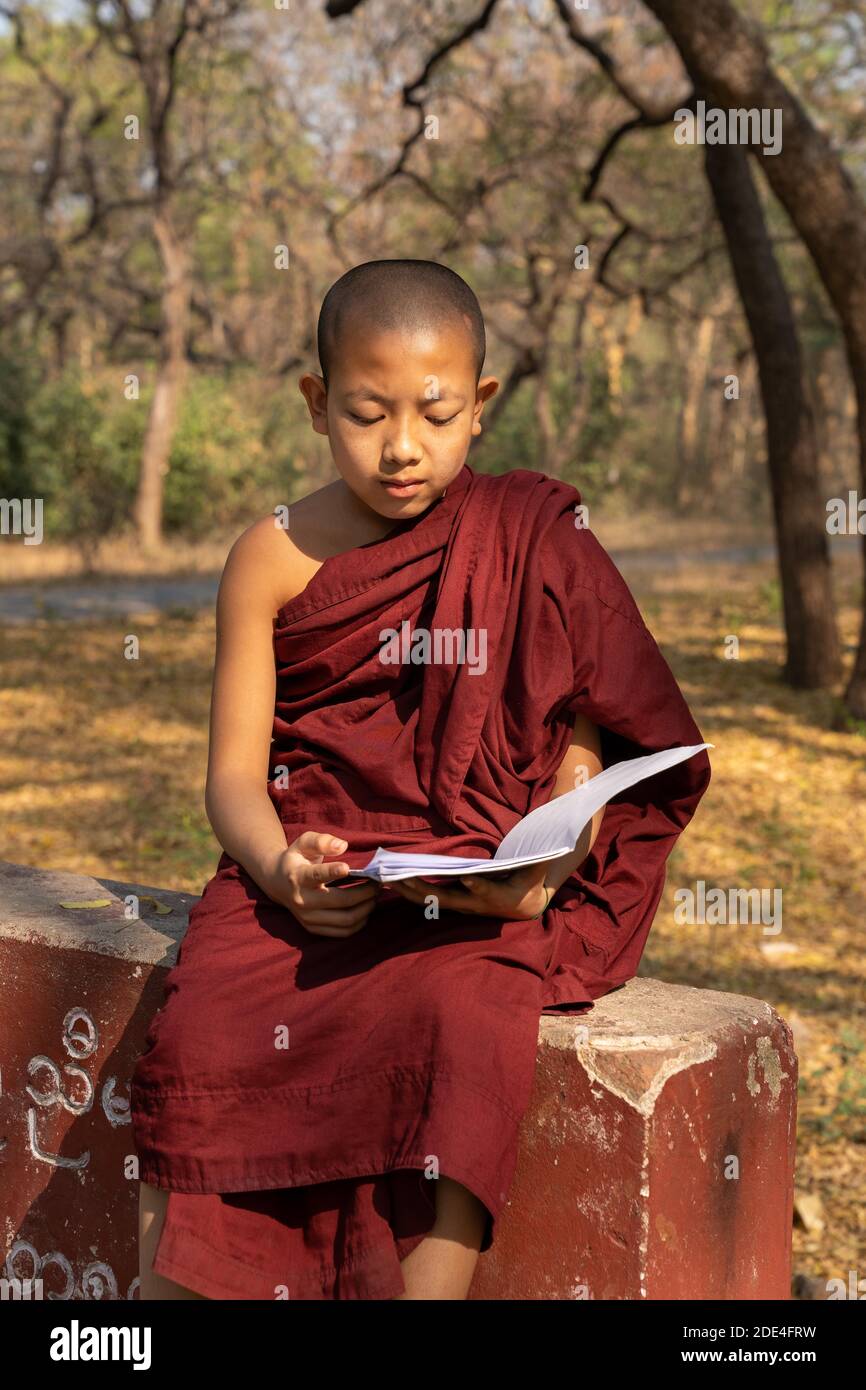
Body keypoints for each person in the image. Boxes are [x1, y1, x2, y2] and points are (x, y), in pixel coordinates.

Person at [130, 258, 711, 1301]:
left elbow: (591, 745)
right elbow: (230, 778)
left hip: (467, 884)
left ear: (479, 405)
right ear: (316, 403)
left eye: (436, 414)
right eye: (366, 414)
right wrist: (278, 867)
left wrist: (545, 865)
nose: (402, 445)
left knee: (466, 1018)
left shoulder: (532, 534)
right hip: (308, 880)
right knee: (206, 1026)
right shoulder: (271, 556)